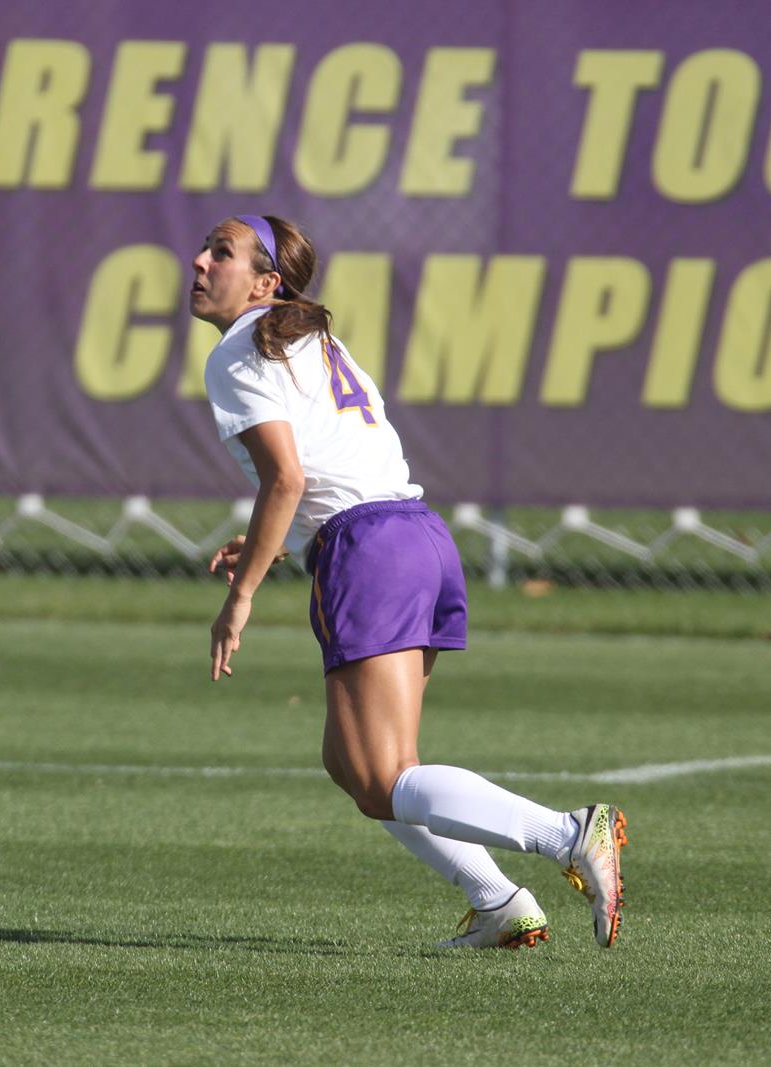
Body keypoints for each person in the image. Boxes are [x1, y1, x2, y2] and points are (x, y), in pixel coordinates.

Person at [191, 214, 627, 950]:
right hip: (413, 537)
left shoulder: (238, 350)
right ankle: (499, 903)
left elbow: (289, 477)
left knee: (385, 773)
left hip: (369, 550)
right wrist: (277, 542)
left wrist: (241, 599)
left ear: (267, 283)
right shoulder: (308, 336)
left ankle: (570, 834)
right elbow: (325, 474)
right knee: (356, 767)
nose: (199, 261)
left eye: (220, 252)